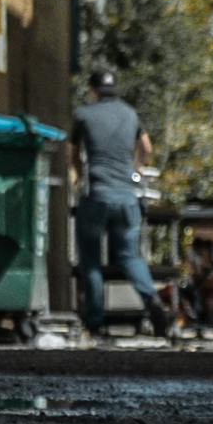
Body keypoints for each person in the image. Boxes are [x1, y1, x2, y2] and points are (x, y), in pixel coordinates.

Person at [72, 66, 153, 324]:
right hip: (127, 198)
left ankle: (95, 319)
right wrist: (135, 170)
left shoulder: (83, 114)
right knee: (130, 256)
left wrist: (78, 175)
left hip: (97, 195)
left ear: (93, 90)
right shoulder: (130, 114)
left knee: (91, 259)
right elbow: (147, 147)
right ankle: (153, 302)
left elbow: (71, 152)